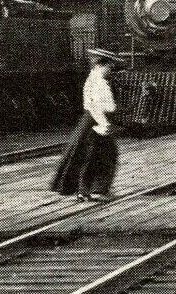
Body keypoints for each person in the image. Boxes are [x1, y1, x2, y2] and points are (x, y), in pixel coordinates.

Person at [52, 48, 125, 202]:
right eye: (109, 66)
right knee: (92, 157)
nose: (110, 70)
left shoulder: (96, 78)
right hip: (95, 122)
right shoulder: (98, 82)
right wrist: (104, 123)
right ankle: (87, 190)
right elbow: (94, 107)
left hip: (93, 121)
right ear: (101, 65)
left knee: (101, 155)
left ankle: (95, 189)